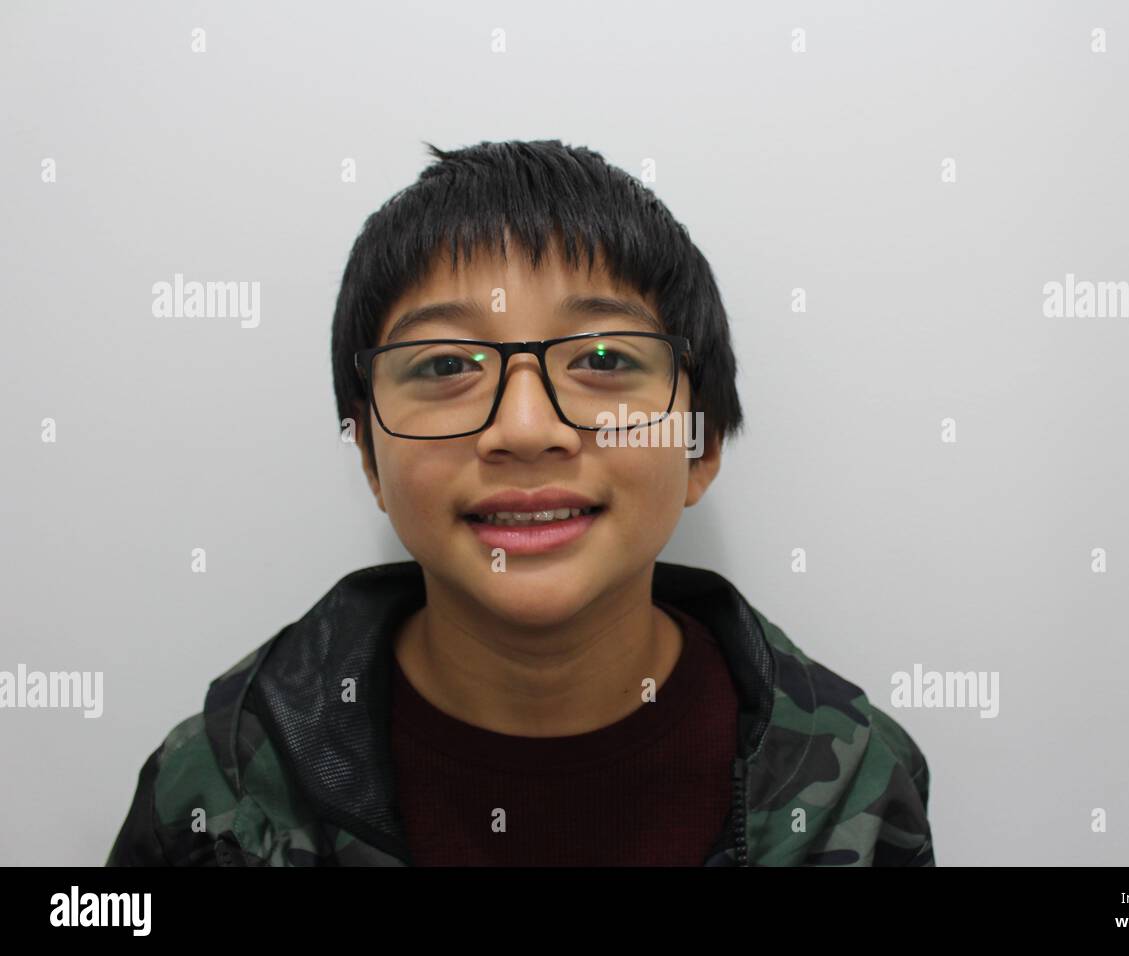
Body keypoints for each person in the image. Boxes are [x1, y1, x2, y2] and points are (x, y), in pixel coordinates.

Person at [106, 139, 934, 866]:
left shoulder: (855, 788)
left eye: (604, 357)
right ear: (367, 454)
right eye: (444, 367)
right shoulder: (217, 794)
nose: (526, 428)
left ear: (700, 444)